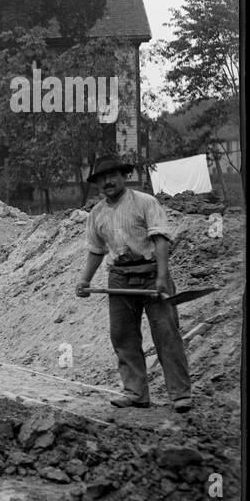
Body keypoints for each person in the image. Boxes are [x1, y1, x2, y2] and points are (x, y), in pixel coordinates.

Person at [75, 153, 192, 412]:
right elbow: (96, 250)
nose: (108, 182)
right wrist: (84, 280)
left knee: (166, 334)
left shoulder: (145, 202)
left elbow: (160, 239)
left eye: (113, 176)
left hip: (152, 275)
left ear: (124, 176)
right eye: (102, 179)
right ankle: (136, 392)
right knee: (123, 336)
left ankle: (180, 394)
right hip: (119, 278)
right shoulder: (96, 214)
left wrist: (162, 277)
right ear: (96, 183)